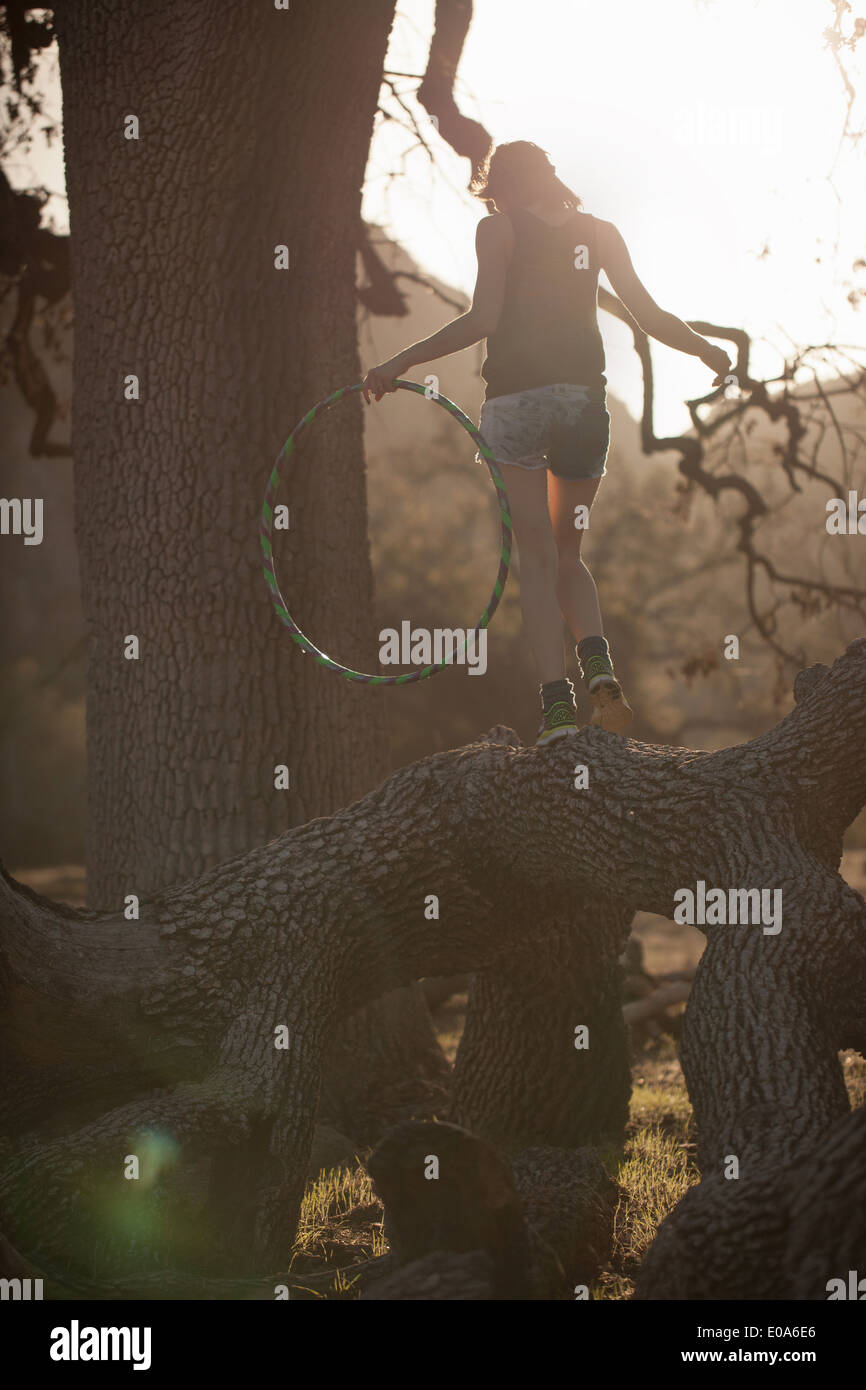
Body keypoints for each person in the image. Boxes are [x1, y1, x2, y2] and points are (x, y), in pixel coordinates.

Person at [362, 141, 731, 745]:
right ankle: (599, 664)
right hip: (585, 409)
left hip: (515, 409)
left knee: (534, 560)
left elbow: (482, 321)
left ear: (501, 186)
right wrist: (706, 350)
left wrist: (398, 362)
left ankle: (557, 708)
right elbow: (649, 314)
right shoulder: (601, 232)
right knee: (568, 555)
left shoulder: (498, 230)